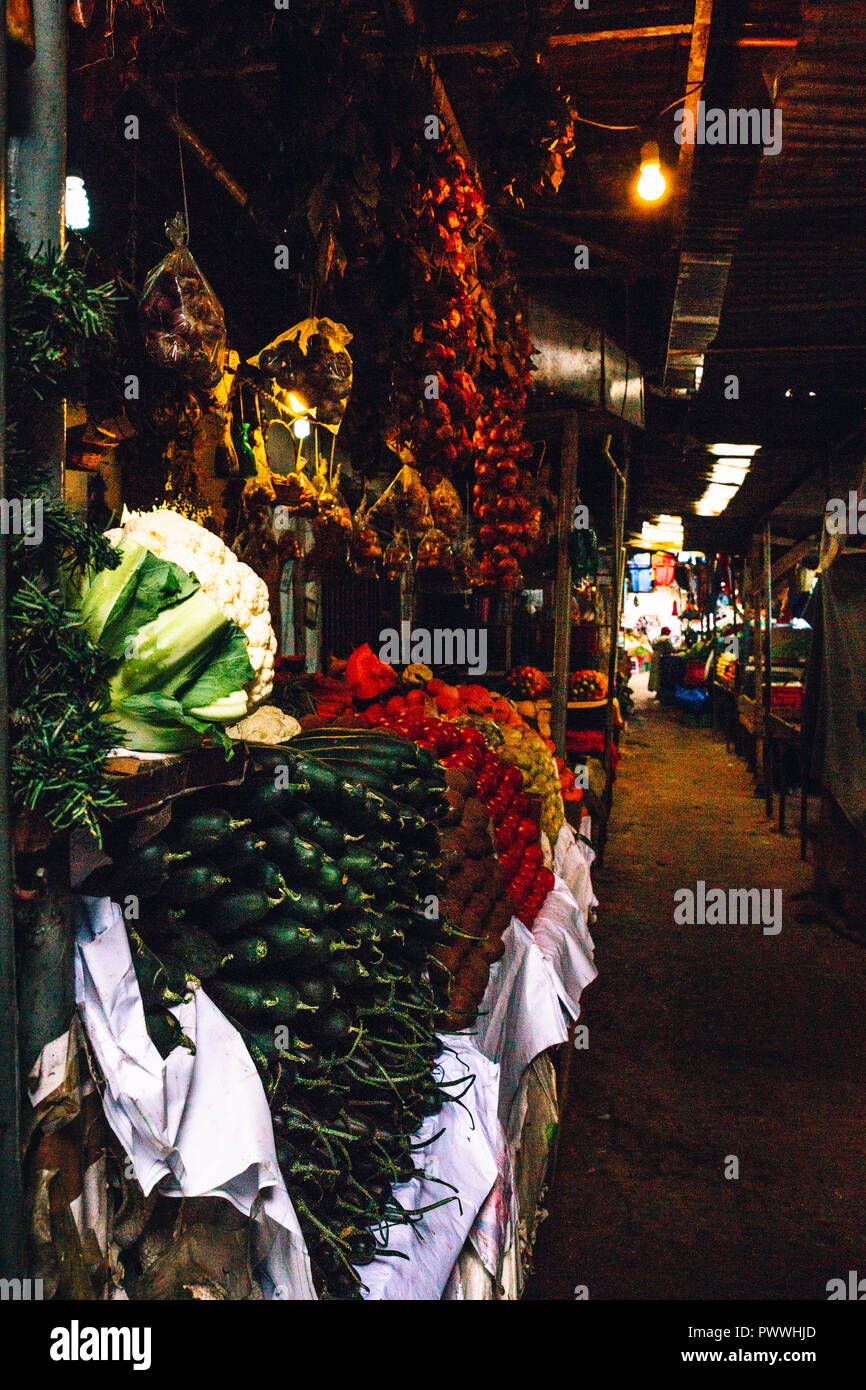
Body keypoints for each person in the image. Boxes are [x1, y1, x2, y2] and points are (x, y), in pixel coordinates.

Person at [648, 626, 674, 694]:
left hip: (654, 656)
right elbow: (671, 648)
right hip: (661, 657)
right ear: (666, 632)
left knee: (654, 674)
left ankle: (655, 689)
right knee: (661, 675)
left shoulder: (656, 638)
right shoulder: (666, 639)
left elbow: (652, 646)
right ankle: (660, 690)